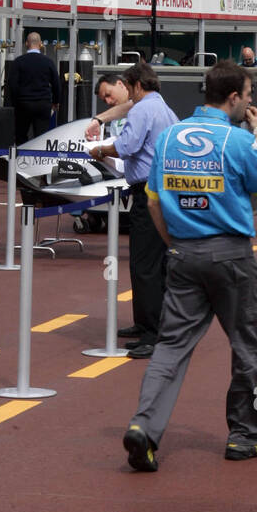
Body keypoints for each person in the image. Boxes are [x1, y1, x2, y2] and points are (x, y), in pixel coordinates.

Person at [122, 60, 257, 471]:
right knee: (245, 345)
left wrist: (175, 244)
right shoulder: (238, 140)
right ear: (232, 98)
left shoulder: (170, 136)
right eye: (247, 96)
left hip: (184, 255)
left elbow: (153, 200)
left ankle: (144, 427)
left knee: (171, 346)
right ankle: (244, 436)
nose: (249, 103)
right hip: (231, 256)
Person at [90, 63, 178, 358]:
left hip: (148, 191)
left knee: (146, 264)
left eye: (127, 88)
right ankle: (147, 323)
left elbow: (126, 146)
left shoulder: (141, 110)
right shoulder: (164, 108)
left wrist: (100, 150)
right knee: (154, 261)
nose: (126, 94)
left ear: (136, 85)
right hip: (163, 189)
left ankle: (153, 333)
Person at [6, 32, 60, 142]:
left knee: (21, 135)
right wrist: (55, 102)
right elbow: (56, 83)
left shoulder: (18, 62)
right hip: (43, 104)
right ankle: (39, 158)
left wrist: (15, 103)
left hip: (23, 104)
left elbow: (12, 85)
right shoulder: (48, 62)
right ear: (40, 44)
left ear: (26, 43)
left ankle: (22, 158)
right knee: (41, 137)